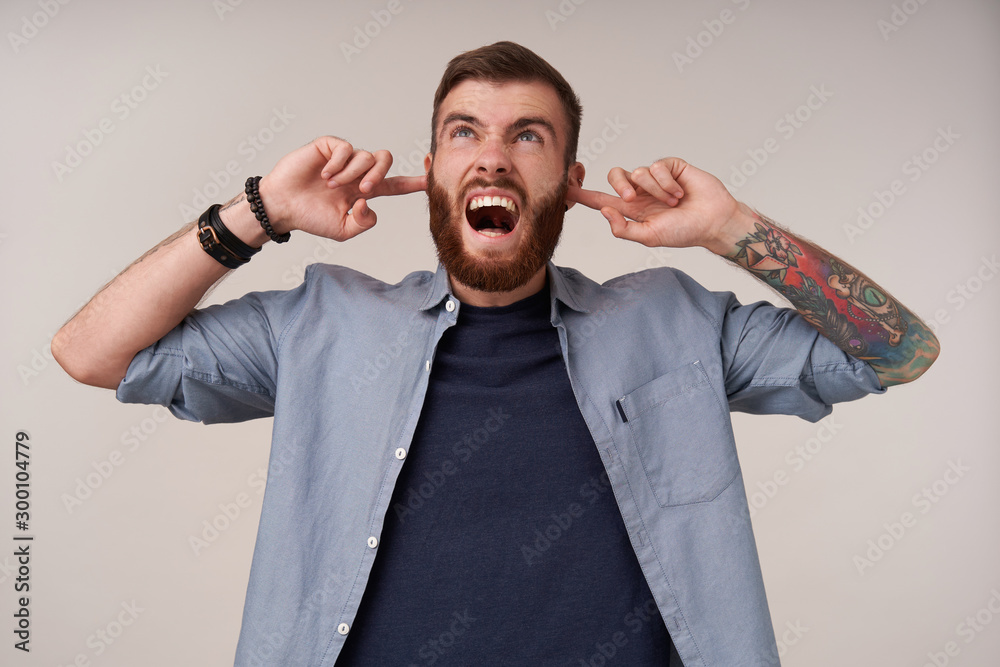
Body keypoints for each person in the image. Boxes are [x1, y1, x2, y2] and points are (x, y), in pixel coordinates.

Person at [52, 41, 939, 666]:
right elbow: (90, 351)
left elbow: (897, 352)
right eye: (465, 133)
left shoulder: (677, 324)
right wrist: (260, 212)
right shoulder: (322, 324)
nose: (493, 160)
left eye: (528, 136)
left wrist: (728, 229)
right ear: (433, 167)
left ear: (567, 178)